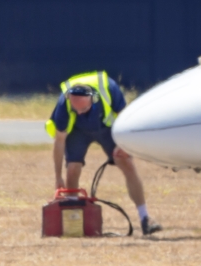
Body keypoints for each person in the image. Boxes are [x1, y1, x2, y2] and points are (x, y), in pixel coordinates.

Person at [47, 71, 161, 235]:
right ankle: (73, 221)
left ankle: (145, 218)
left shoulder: (109, 89)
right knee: (72, 169)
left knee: (126, 163)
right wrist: (58, 177)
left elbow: (126, 118)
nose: (79, 112)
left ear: (93, 99)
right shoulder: (64, 103)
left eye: (83, 109)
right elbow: (59, 141)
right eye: (75, 109)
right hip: (78, 131)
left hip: (107, 128)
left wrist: (123, 144)